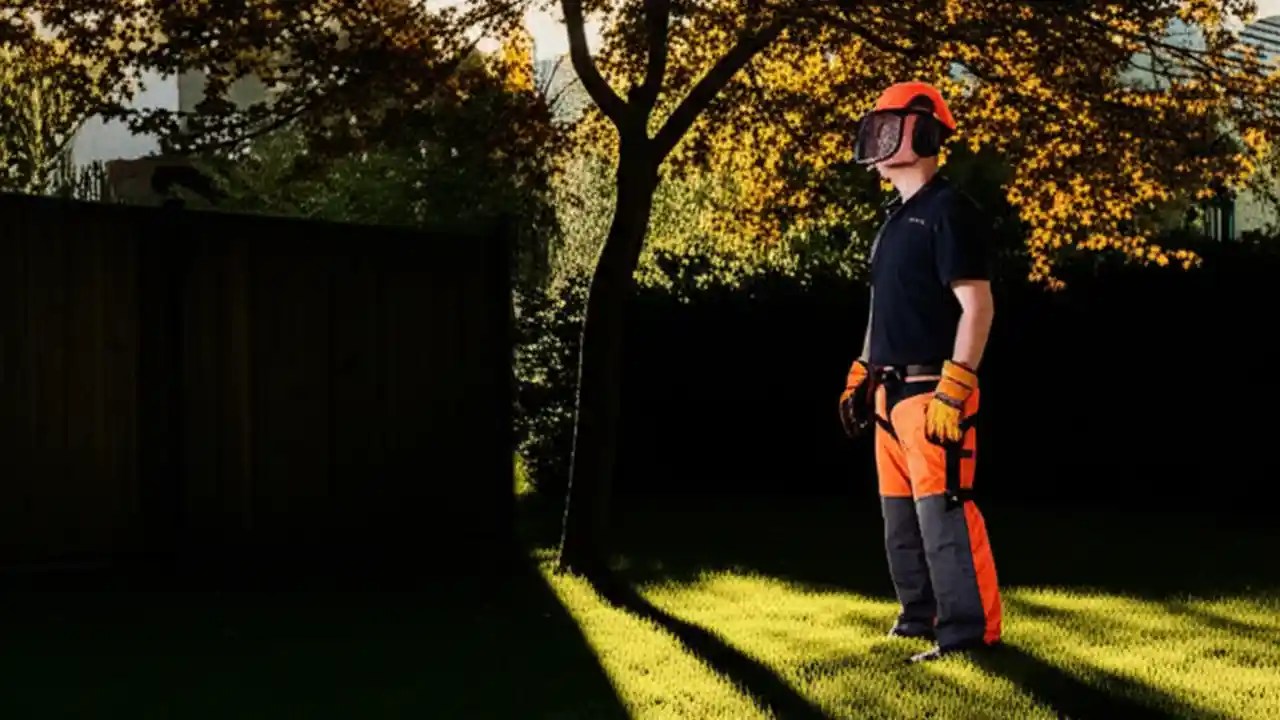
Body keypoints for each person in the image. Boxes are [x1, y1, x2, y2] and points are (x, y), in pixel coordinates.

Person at [838, 81, 1002, 664]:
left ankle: (966, 634)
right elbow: (886, 309)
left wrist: (955, 388)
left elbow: (976, 306)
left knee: (944, 517)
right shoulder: (894, 222)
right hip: (889, 394)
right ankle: (918, 618)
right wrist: (862, 373)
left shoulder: (949, 212)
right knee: (901, 520)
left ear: (923, 132)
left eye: (890, 125)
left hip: (932, 392)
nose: (877, 137)